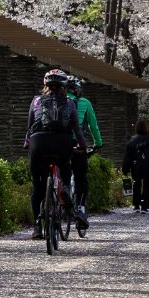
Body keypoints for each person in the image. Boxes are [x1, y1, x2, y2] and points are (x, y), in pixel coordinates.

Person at [23, 69, 88, 239]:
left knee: (37, 186)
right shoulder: (69, 102)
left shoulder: (36, 101)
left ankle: (37, 227)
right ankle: (65, 188)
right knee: (65, 167)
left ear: (45, 85)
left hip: (39, 143)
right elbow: (76, 130)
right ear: (64, 86)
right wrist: (83, 146)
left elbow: (30, 126)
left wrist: (26, 143)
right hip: (62, 143)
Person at [66, 75, 102, 231]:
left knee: (61, 173)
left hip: (57, 143)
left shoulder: (53, 102)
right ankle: (80, 208)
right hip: (77, 144)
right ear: (77, 90)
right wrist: (98, 143)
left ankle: (59, 195)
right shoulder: (84, 103)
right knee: (81, 177)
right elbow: (93, 126)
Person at [122, 119, 149, 213]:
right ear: (146, 128)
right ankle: (145, 206)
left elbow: (128, 157)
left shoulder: (132, 141)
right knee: (147, 185)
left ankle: (136, 205)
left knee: (136, 184)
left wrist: (125, 169)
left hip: (136, 166)